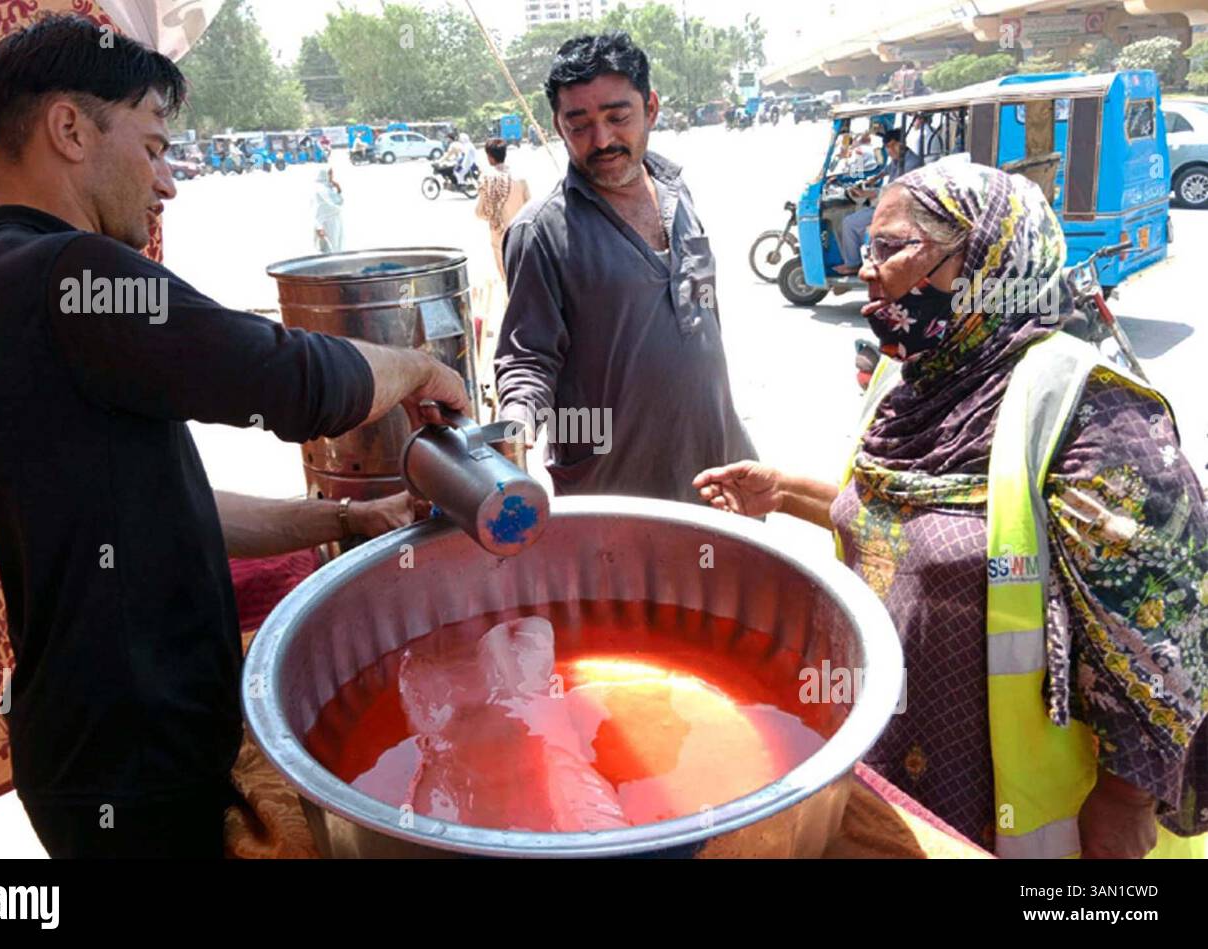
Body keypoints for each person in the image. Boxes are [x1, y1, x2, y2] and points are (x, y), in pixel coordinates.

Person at [0, 14, 468, 858]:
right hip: (130, 769)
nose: (167, 183)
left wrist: (339, 521)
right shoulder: (69, 276)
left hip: (92, 751)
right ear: (70, 129)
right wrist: (417, 367)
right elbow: (292, 380)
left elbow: (169, 503)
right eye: (154, 147)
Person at [695, 161, 1208, 859]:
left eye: (891, 248)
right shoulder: (912, 382)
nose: (865, 271)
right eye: (865, 246)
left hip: (1025, 815)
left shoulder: (1090, 413)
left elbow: (1168, 630)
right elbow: (900, 519)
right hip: (892, 767)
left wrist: (1125, 801)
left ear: (988, 257)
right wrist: (783, 492)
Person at [494, 32, 756, 502]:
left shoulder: (678, 191)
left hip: (713, 457)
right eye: (579, 125)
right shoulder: (541, 232)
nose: (602, 140)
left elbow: (701, 314)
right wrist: (518, 422)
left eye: (618, 117)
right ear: (558, 126)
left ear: (650, 108)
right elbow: (527, 357)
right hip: (613, 483)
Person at [833, 128, 921, 275]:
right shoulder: (898, 159)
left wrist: (868, 193)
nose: (890, 150)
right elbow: (885, 171)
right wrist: (872, 180)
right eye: (888, 147)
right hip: (890, 204)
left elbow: (895, 190)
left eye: (893, 145)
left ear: (902, 143)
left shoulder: (911, 162)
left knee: (850, 223)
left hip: (898, 209)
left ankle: (853, 264)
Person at [475, 138, 531, 281]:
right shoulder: (521, 178)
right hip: (521, 236)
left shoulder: (487, 179)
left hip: (499, 238)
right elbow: (531, 209)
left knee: (507, 279)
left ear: (489, 156)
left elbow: (479, 212)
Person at [313, 165, 343, 253]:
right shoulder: (323, 189)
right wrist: (338, 187)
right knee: (333, 247)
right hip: (329, 222)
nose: (332, 177)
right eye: (330, 174)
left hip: (327, 221)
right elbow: (339, 201)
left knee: (331, 247)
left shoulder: (322, 187)